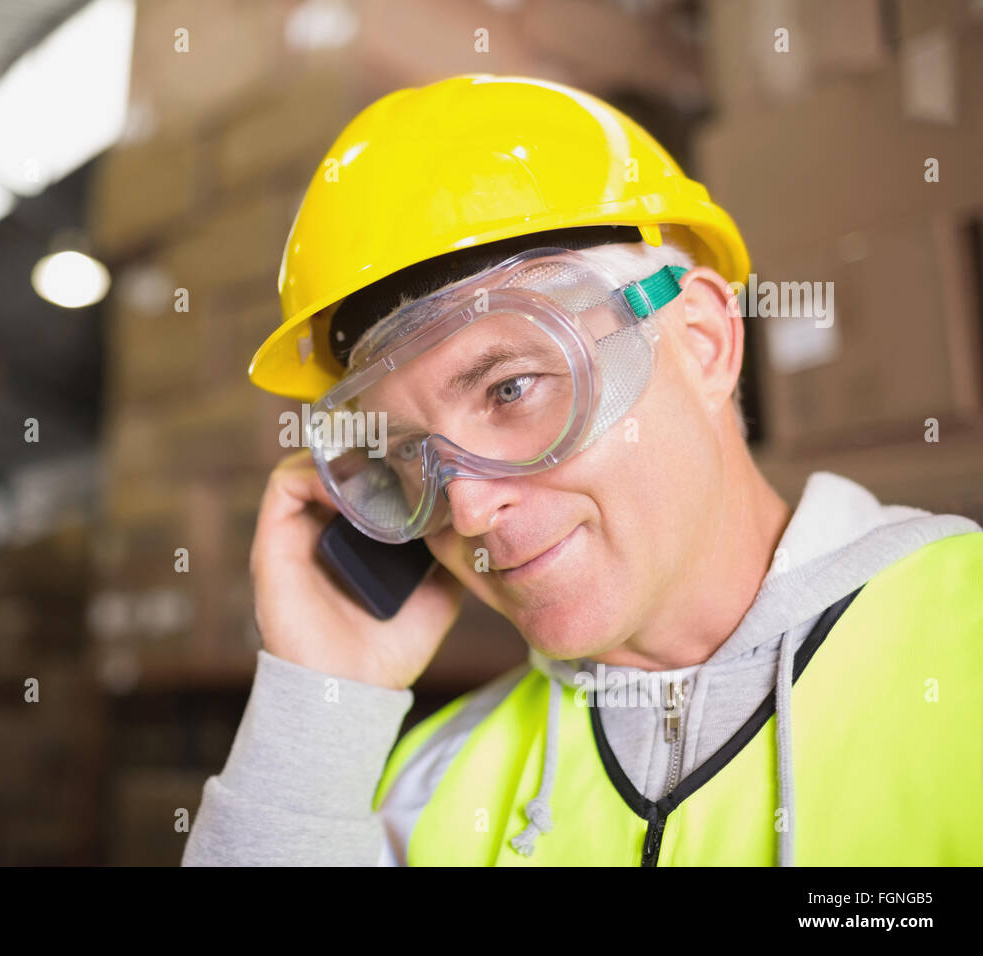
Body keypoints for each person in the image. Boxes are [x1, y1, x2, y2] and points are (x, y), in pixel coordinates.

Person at [181, 74, 983, 866]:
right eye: (404, 453)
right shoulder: (427, 795)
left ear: (702, 339)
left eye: (511, 389)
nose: (466, 512)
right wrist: (317, 711)